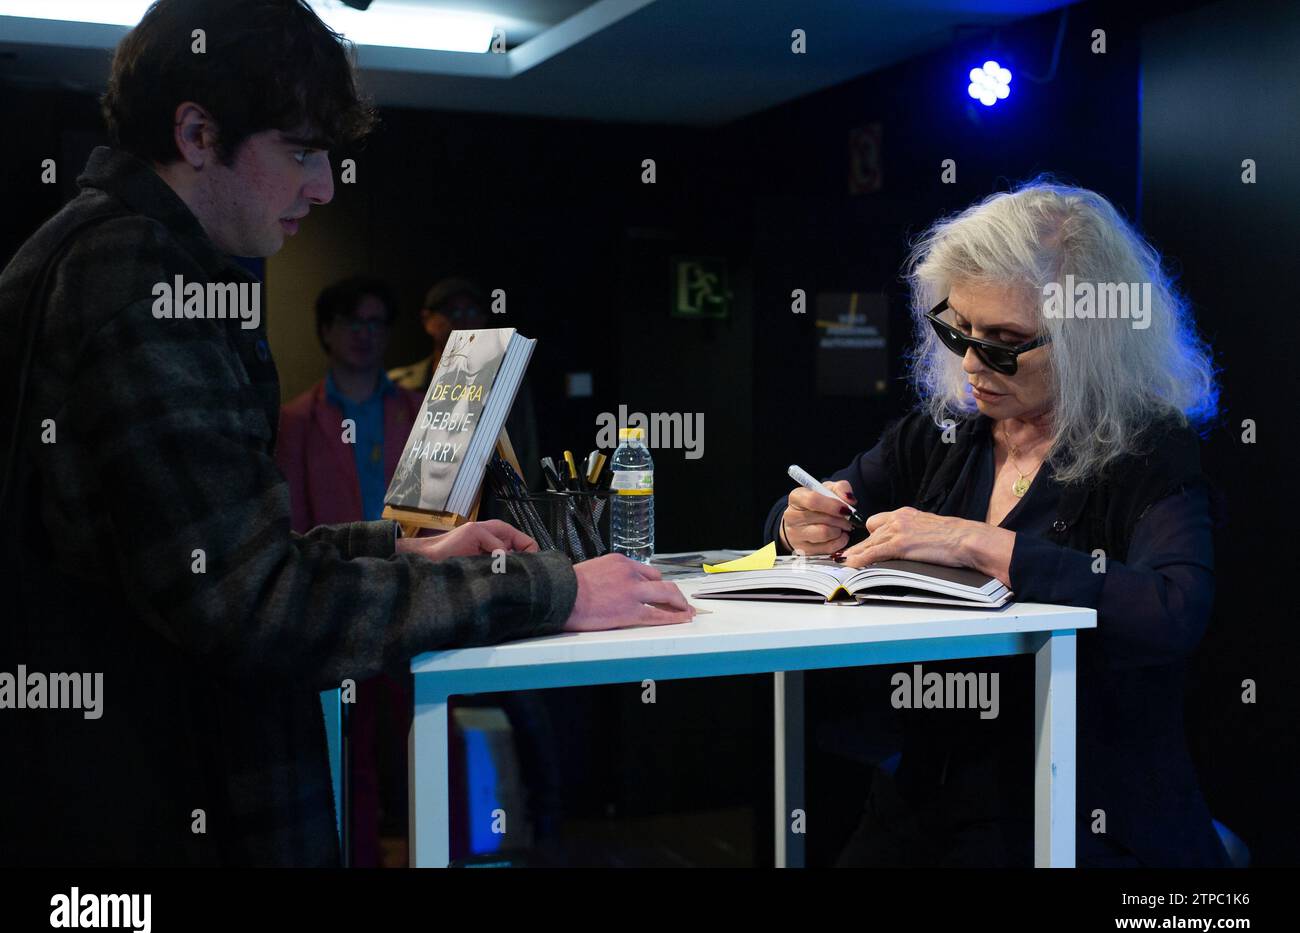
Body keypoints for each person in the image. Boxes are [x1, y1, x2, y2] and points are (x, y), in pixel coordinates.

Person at [0, 0, 691, 867]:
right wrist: (551, 589)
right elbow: (253, 606)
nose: (324, 185)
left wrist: (411, 553)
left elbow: (218, 563)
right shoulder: (133, 272)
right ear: (197, 132)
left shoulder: (100, 252)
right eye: (300, 150)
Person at [766, 178, 1227, 867]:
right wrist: (799, 524)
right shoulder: (945, 433)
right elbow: (801, 507)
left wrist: (980, 543)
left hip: (1081, 799)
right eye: (958, 332)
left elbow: (1171, 608)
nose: (973, 365)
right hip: (931, 793)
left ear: (1087, 336)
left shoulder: (1147, 446)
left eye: (1006, 342)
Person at [277, 276, 423, 867]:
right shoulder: (296, 421)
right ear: (327, 331)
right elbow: (292, 524)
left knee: (428, 737)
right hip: (340, 601)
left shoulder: (416, 411)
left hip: (418, 593)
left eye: (376, 324)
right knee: (348, 751)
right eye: (352, 322)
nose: (365, 335)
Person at [390, 278, 541, 490]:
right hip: (420, 497)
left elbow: (525, 446)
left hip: (489, 500)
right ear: (428, 319)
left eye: (471, 312)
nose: (463, 321)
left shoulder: (506, 379)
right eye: (452, 312)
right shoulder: (400, 384)